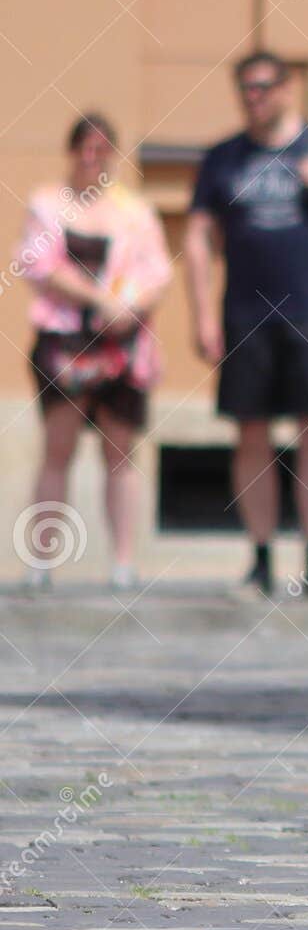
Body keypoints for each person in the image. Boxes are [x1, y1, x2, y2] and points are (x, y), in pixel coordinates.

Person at [184, 52, 308, 599]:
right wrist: (200, 314)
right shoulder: (222, 157)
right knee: (251, 434)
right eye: (245, 89)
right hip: (244, 314)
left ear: (287, 89)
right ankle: (260, 560)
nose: (254, 97)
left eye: (264, 87)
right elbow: (197, 239)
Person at [17, 114, 172, 591]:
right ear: (72, 151)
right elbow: (40, 264)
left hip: (121, 346)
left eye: (102, 149)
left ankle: (123, 562)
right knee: (57, 450)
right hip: (64, 342)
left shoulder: (134, 210)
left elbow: (158, 272)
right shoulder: (47, 203)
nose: (93, 157)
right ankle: (41, 562)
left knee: (120, 453)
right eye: (85, 147)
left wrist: (129, 308)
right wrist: (96, 300)